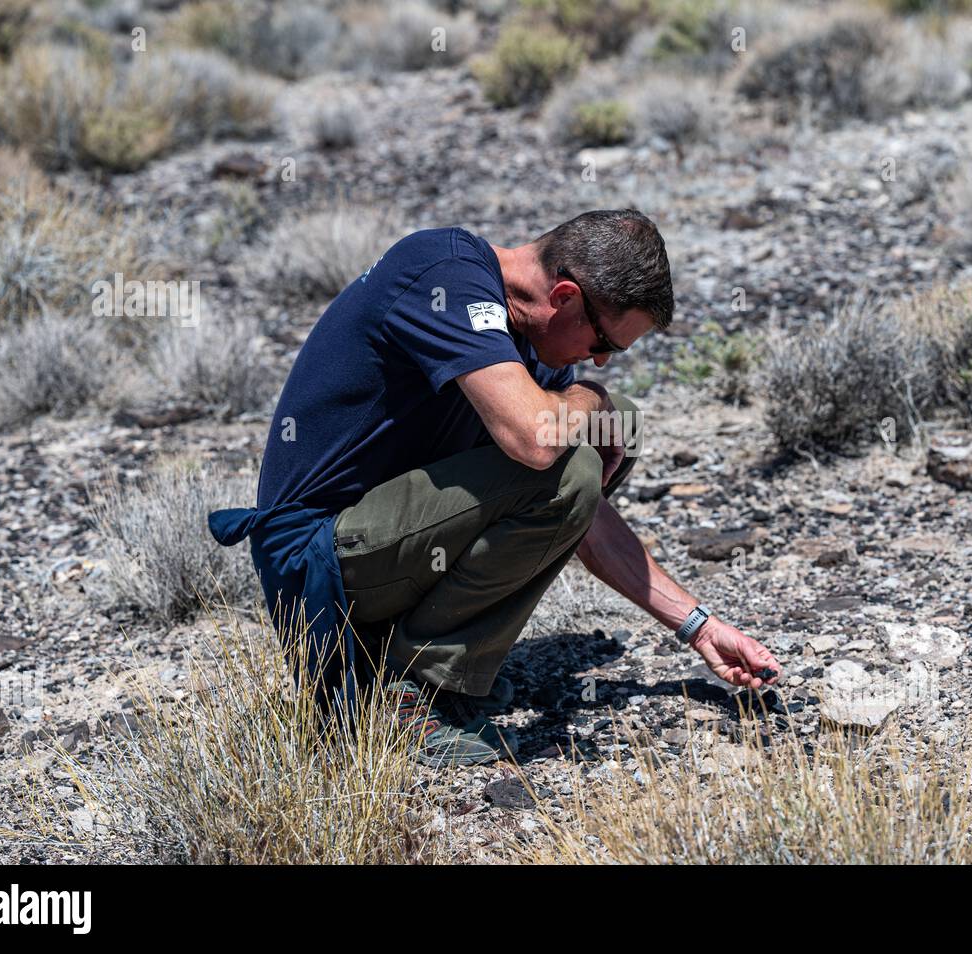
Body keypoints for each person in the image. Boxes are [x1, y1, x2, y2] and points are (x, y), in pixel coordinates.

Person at [209, 208, 781, 767]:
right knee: (587, 431)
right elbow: (538, 445)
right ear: (563, 298)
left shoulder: (532, 343)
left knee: (596, 433)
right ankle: (409, 693)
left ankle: (419, 663)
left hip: (380, 546)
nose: (601, 362)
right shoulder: (443, 273)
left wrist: (698, 625)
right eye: (606, 342)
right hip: (314, 562)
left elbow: (579, 515)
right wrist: (591, 401)